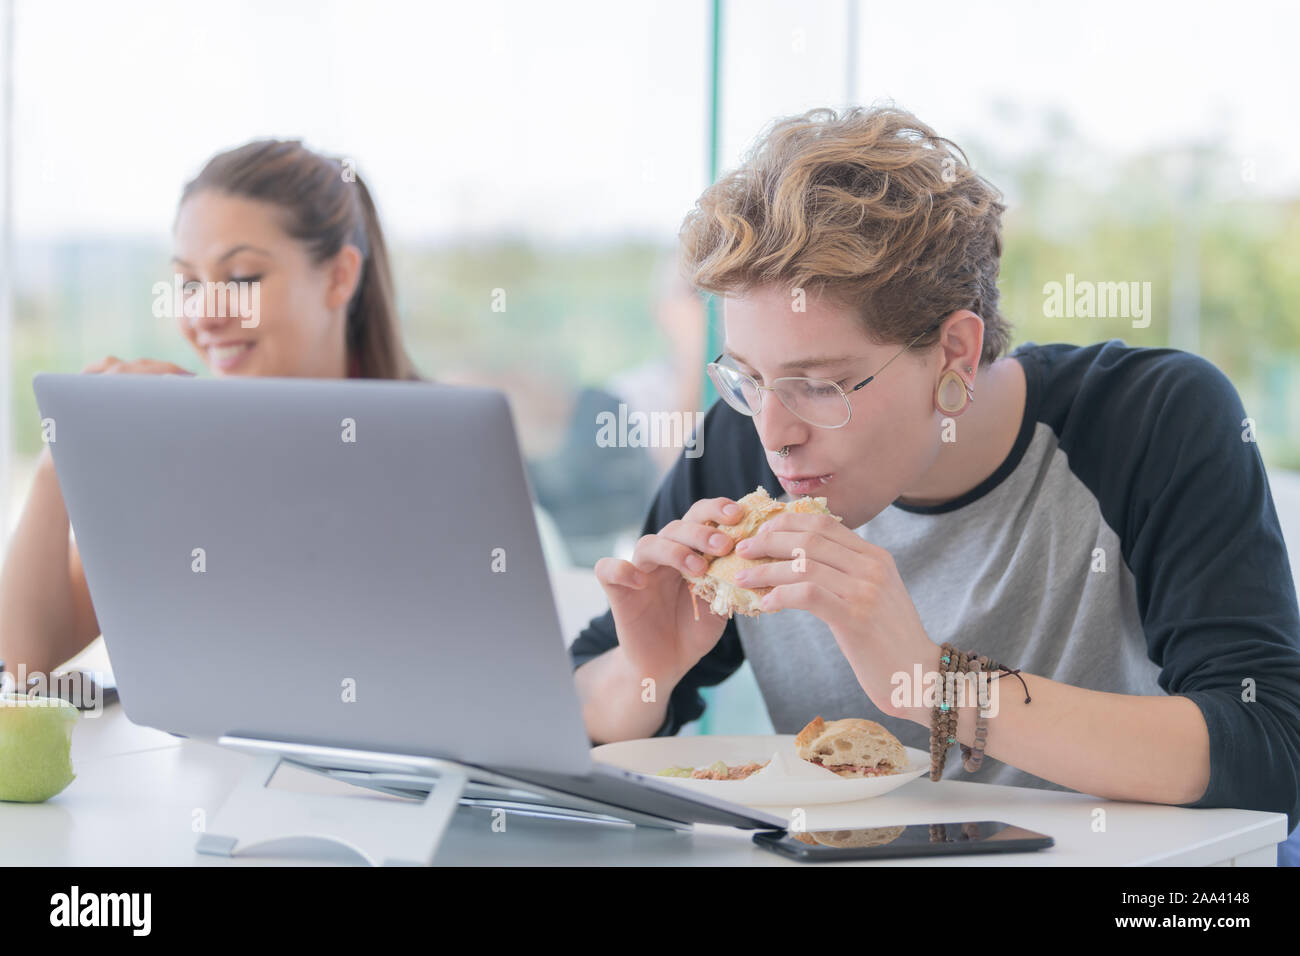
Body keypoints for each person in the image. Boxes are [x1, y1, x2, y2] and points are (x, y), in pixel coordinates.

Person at [569, 105, 1300, 863]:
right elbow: (565, 711)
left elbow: (1270, 748)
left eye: (821, 385)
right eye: (747, 379)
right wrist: (646, 673)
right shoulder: (741, 441)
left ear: (954, 351)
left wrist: (938, 686)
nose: (774, 431)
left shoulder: (1153, 420)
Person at [0, 139, 420, 679]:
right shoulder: (184, 458)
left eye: (242, 278)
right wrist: (59, 463)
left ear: (340, 276)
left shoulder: (431, 454)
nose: (204, 316)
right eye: (189, 284)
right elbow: (19, 662)